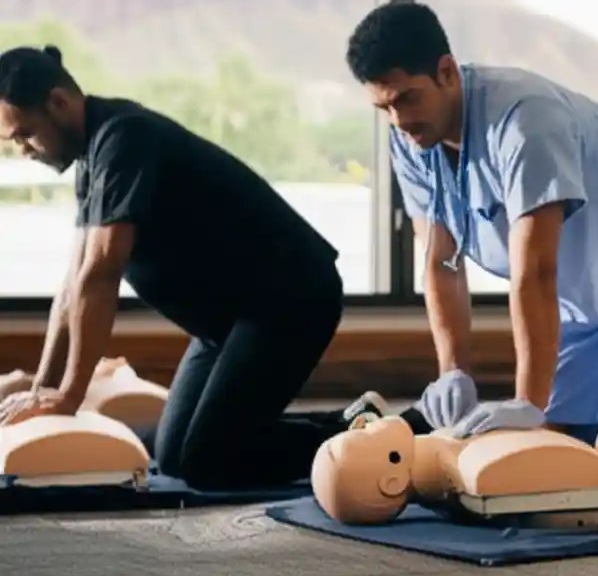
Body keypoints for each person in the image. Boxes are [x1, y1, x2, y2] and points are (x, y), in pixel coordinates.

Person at [343, 1, 598, 443]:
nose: (400, 120)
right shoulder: (411, 139)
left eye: (408, 98)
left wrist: (527, 402)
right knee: (555, 441)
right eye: (384, 107)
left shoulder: (525, 121)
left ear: (446, 71)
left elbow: (535, 271)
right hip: (583, 293)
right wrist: (454, 371)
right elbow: (441, 263)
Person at [0, 45, 361, 489]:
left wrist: (70, 395)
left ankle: (375, 442)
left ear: (58, 103)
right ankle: (357, 422)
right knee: (173, 458)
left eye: (25, 135)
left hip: (289, 299)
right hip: (226, 324)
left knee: (210, 462)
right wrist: (41, 390)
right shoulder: (92, 158)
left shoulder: (124, 136)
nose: (23, 150)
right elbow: (73, 285)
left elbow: (101, 272)